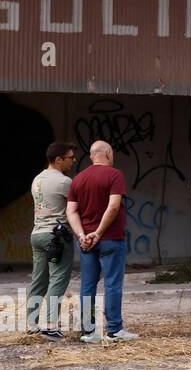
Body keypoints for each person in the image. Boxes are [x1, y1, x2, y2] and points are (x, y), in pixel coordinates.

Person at [67, 140, 136, 342]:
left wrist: (82, 235)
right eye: (112, 153)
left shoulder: (78, 179)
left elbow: (71, 211)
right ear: (107, 153)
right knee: (112, 283)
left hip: (86, 242)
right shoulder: (115, 175)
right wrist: (98, 233)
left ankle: (89, 331)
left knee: (87, 285)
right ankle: (114, 329)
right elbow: (113, 206)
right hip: (110, 238)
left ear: (91, 156)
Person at [28, 141, 78, 340]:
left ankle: (32, 323)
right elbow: (75, 208)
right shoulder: (64, 182)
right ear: (58, 159)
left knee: (38, 280)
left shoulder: (37, 179)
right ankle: (50, 326)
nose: (73, 161)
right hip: (57, 237)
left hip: (37, 234)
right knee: (58, 278)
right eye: (70, 157)